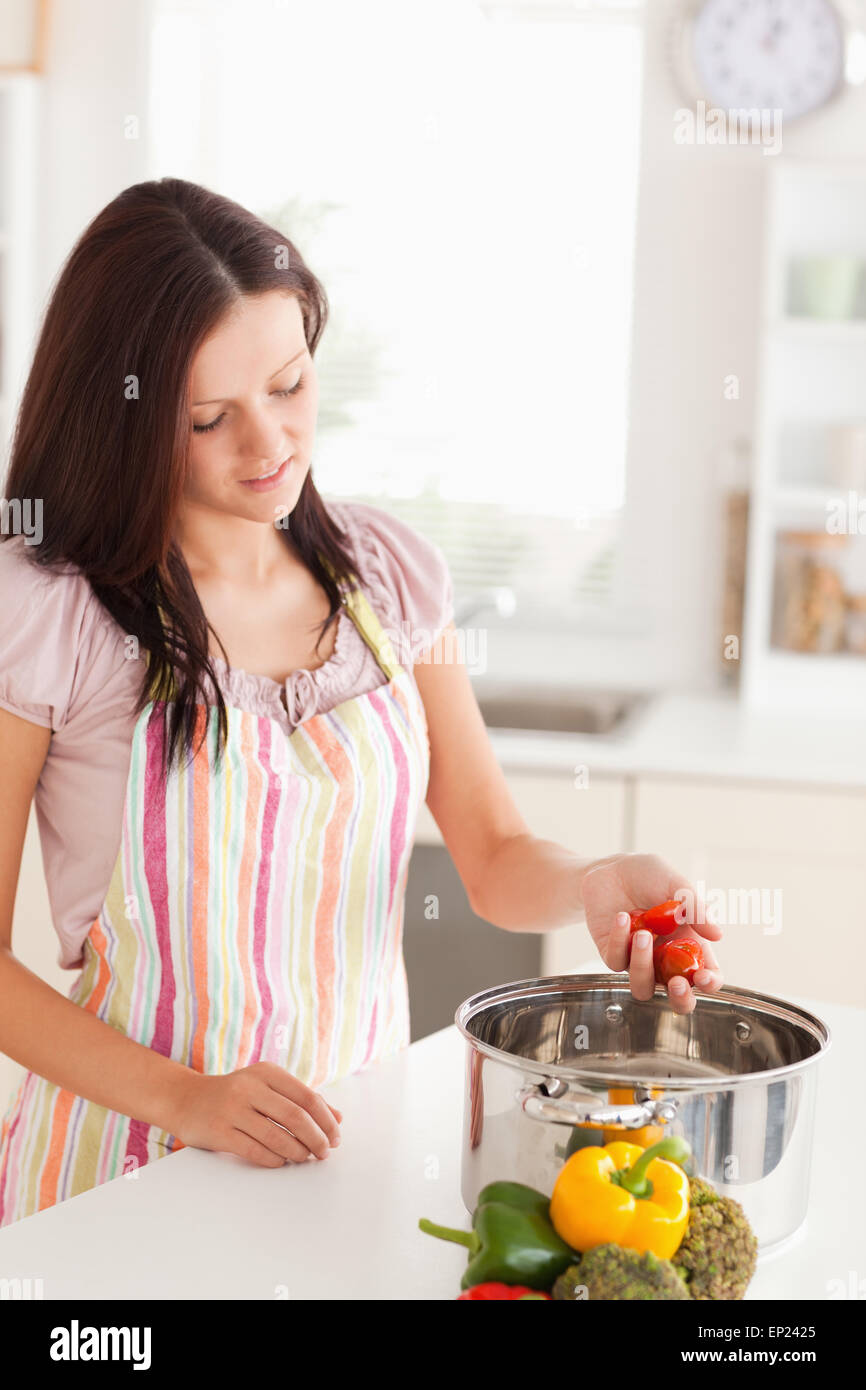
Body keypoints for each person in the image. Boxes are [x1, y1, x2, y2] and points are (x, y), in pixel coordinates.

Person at [0, 178, 722, 1226]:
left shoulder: (385, 577)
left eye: (289, 385)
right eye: (208, 418)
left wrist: (599, 879)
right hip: (123, 1170)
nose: (269, 446)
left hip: (348, 1160)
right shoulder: (48, 612)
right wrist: (188, 1100)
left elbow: (493, 854)